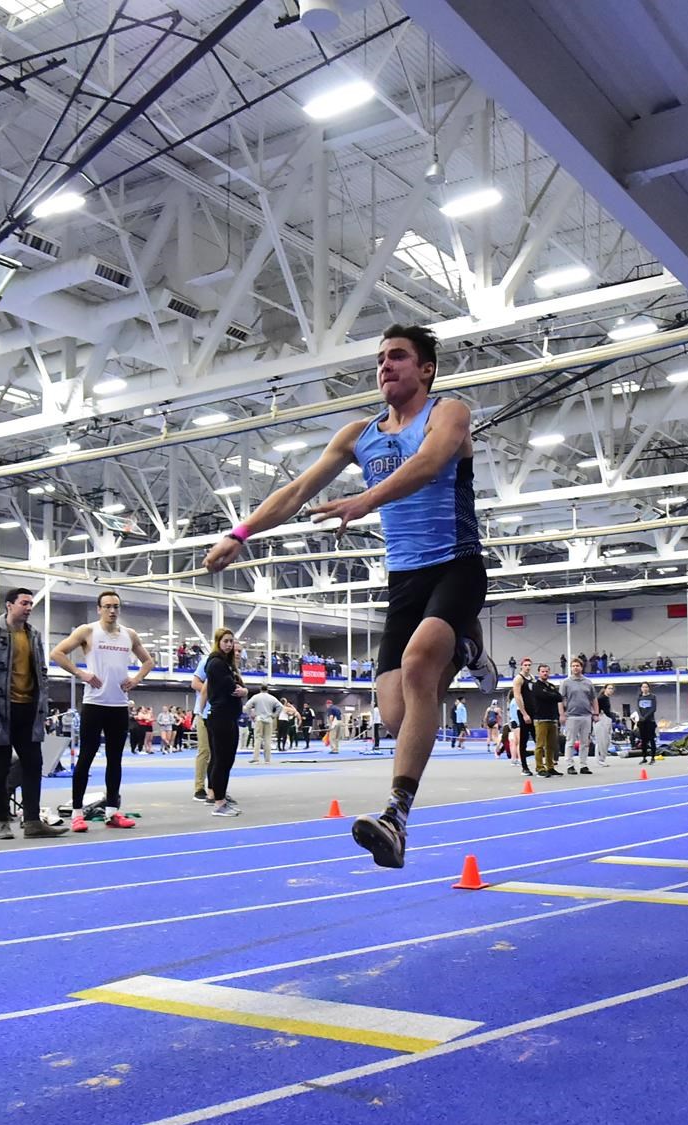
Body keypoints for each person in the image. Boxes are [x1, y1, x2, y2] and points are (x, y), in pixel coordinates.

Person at [202, 324, 496, 869]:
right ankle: (467, 650)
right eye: (381, 358)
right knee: (395, 715)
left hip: (456, 564)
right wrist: (238, 535)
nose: (386, 366)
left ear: (426, 369)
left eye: (399, 357)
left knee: (418, 660)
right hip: (404, 580)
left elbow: (430, 464)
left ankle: (397, 815)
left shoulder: (448, 412)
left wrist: (364, 501)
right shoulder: (359, 434)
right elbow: (295, 492)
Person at [0, 587, 64, 840]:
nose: (29, 608)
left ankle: (31, 821)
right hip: (0, 711)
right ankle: (2, 822)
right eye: (24, 603)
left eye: (31, 604)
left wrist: (43, 694)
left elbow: (41, 670)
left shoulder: (34, 635)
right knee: (0, 767)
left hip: (29, 709)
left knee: (34, 764)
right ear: (9, 605)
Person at [50, 589, 151, 831]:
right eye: (107, 606)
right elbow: (57, 653)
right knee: (85, 759)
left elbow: (148, 661)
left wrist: (136, 679)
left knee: (115, 761)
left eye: (116, 606)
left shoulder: (130, 635)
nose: (112, 610)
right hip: (94, 704)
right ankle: (77, 814)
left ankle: (112, 813)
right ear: (99, 609)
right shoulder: (87, 631)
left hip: (118, 706)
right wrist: (80, 673)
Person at [202, 628, 248, 816]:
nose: (229, 645)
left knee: (227, 760)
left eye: (231, 641)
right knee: (221, 760)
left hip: (229, 717)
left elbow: (240, 687)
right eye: (226, 641)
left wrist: (243, 690)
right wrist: (242, 690)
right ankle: (218, 802)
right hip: (220, 717)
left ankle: (220, 798)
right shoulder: (215, 663)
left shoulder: (228, 664)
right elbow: (233, 687)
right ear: (218, 642)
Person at [525, 662, 562, 778]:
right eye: (543, 671)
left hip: (552, 719)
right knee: (540, 745)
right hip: (541, 719)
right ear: (539, 673)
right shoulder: (536, 686)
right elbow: (543, 696)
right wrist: (551, 696)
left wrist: (550, 695)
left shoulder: (551, 686)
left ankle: (550, 767)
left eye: (546, 671)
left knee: (551, 745)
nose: (545, 673)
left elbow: (559, 697)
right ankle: (540, 767)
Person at [560, 657, 595, 775]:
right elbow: (561, 699)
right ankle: (570, 765)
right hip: (571, 716)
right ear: (571, 668)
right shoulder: (566, 682)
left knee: (585, 742)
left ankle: (583, 765)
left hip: (586, 715)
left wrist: (595, 713)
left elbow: (593, 699)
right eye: (573, 666)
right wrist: (562, 714)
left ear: (582, 667)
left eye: (577, 666)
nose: (575, 668)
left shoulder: (588, 682)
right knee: (570, 742)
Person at [246, 686, 282, 766]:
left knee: (257, 739)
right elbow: (280, 706)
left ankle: (256, 759)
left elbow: (247, 706)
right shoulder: (272, 698)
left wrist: (251, 715)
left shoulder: (256, 697)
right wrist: (274, 715)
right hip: (269, 719)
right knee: (267, 739)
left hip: (259, 719)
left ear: (260, 689)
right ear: (267, 690)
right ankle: (267, 760)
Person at [591, 684, 616, 768]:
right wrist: (596, 714)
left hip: (607, 719)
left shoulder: (607, 699)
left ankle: (603, 758)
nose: (611, 690)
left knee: (607, 740)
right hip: (601, 719)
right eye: (609, 688)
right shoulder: (600, 698)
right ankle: (599, 759)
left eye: (612, 689)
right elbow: (594, 707)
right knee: (601, 740)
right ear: (605, 689)